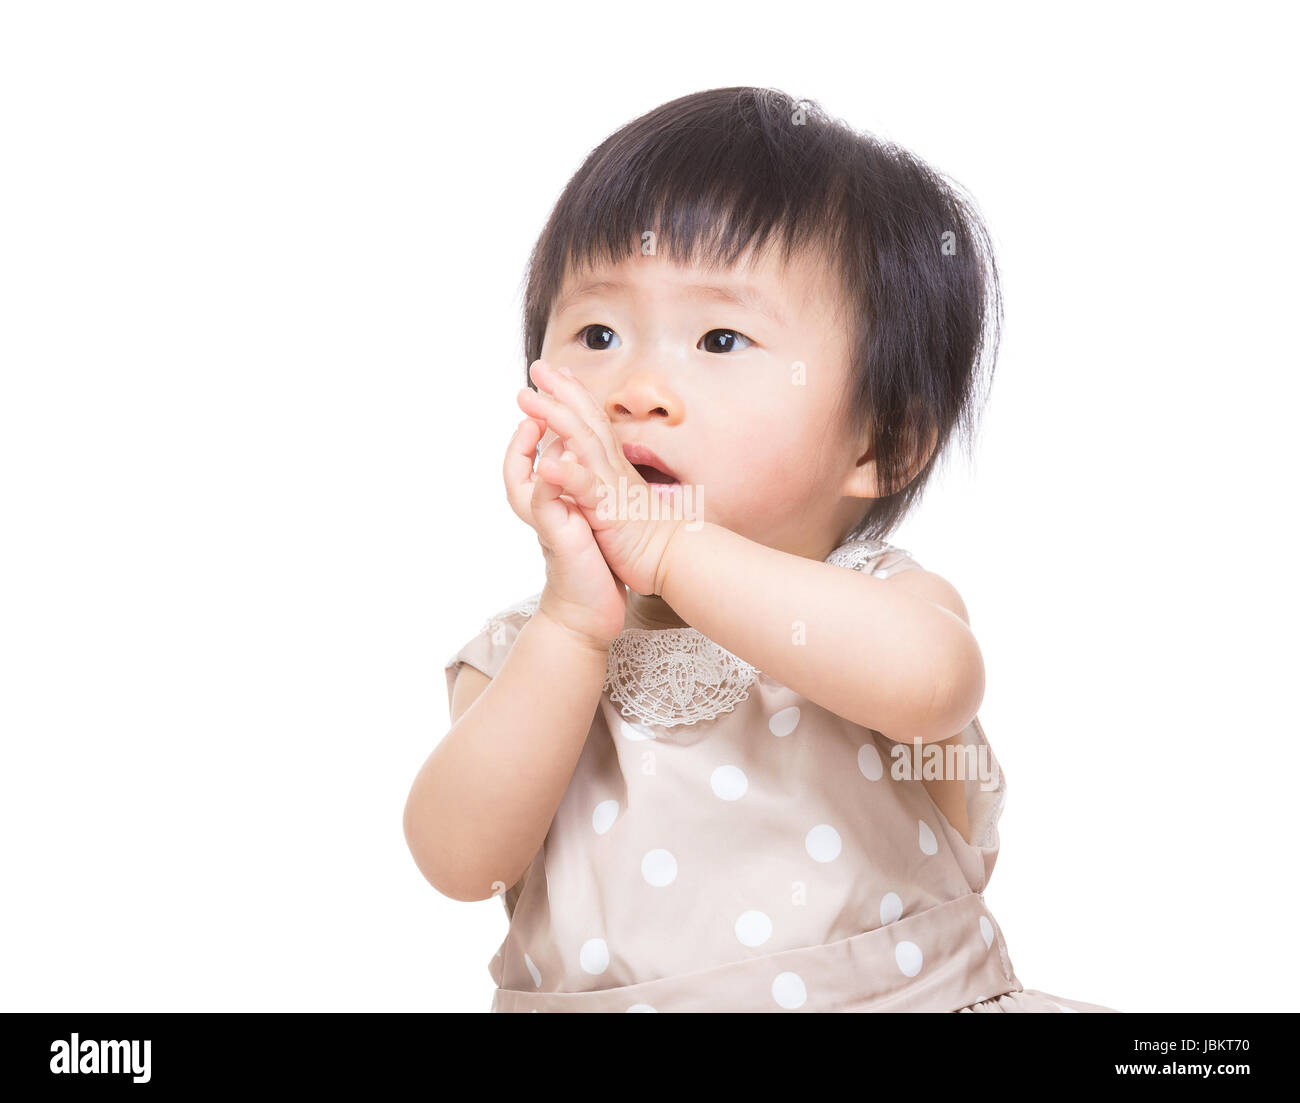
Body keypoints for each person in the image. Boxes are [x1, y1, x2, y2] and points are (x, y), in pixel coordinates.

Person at [404, 86, 1120, 1013]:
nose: (637, 388)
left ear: (881, 445)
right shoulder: (522, 651)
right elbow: (457, 859)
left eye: (720, 337)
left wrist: (671, 550)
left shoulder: (872, 599)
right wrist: (575, 627)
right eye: (597, 333)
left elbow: (936, 682)